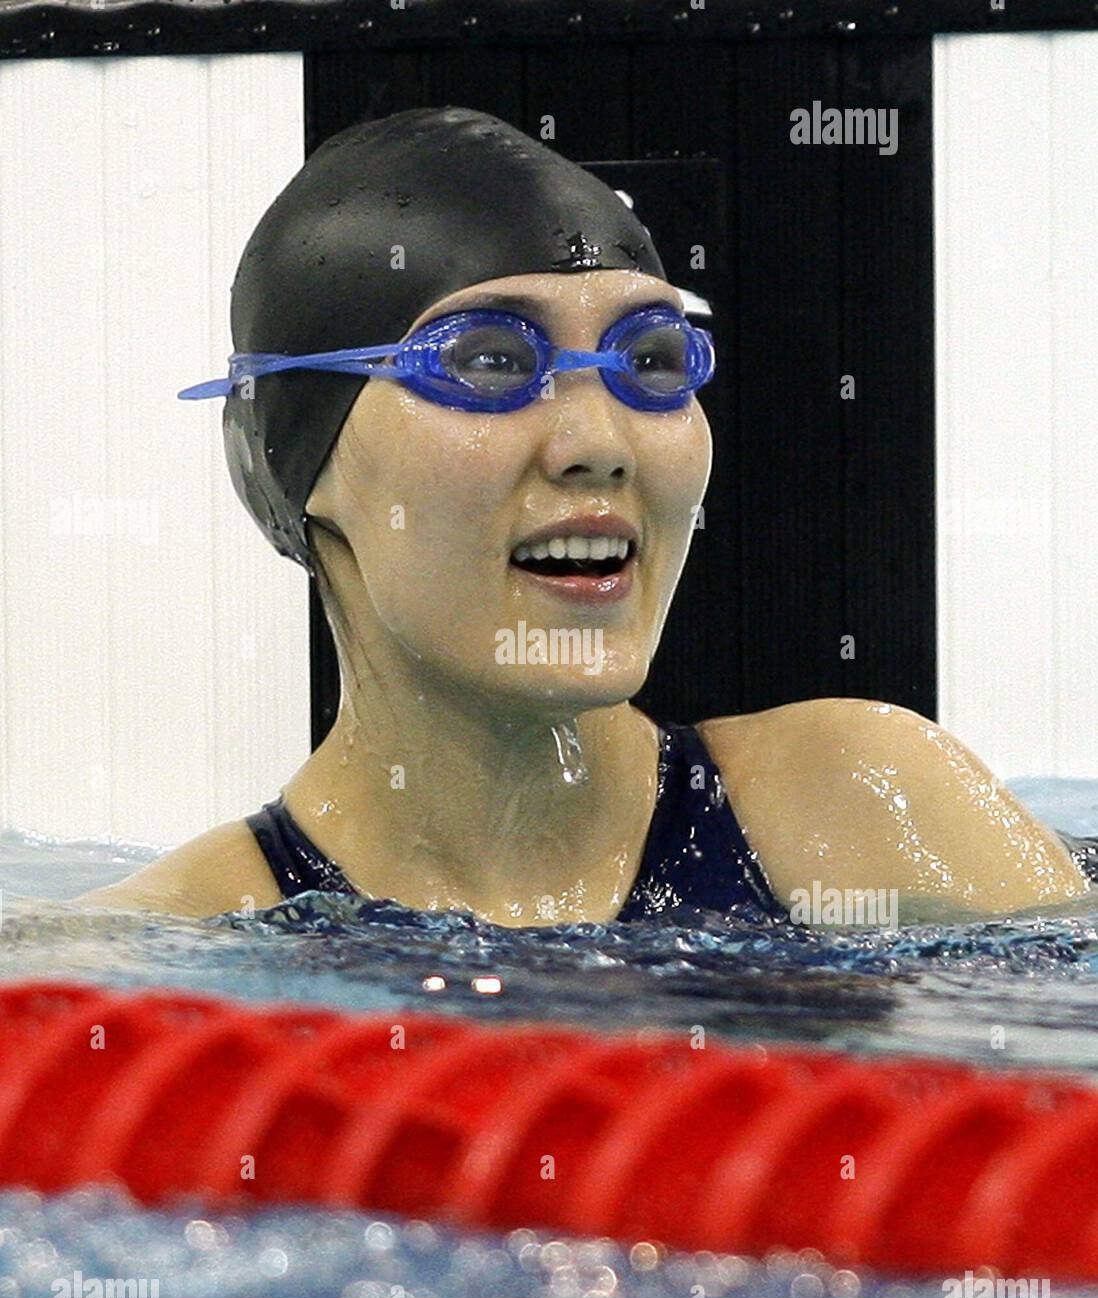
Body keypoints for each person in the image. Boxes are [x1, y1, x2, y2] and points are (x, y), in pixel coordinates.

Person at [75, 108, 1092, 928]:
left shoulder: (866, 806)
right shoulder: (173, 947)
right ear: (294, 460)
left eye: (649, 359)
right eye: (489, 361)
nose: (598, 441)